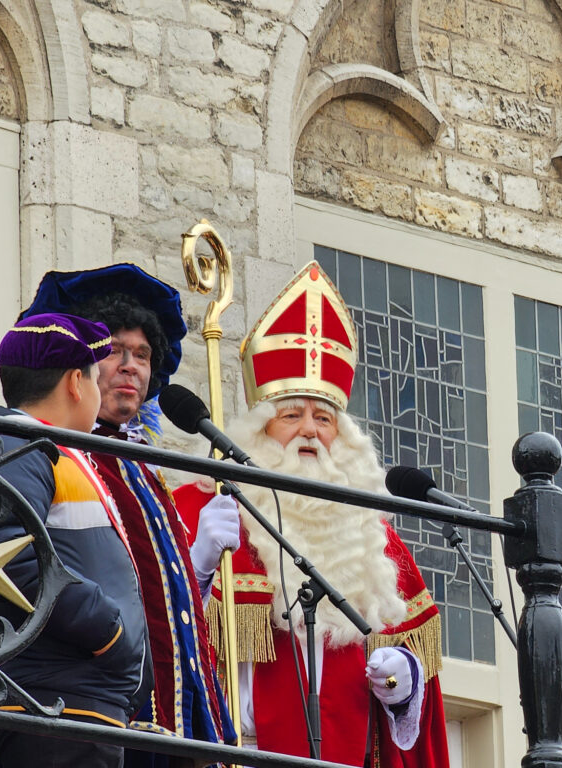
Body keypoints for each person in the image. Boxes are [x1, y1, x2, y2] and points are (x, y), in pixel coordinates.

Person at [174, 262, 450, 767]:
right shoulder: (201, 507)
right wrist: (197, 570)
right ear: (259, 428)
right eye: (291, 414)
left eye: (323, 418)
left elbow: (420, 717)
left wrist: (404, 689)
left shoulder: (376, 541)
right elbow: (154, 640)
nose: (309, 431)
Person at [19, 265, 237, 766]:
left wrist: (197, 567)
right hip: (99, 711)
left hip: (176, 719)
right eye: (115, 350)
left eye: (142, 355)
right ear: (79, 368)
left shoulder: (145, 471)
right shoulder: (58, 454)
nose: (131, 366)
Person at [0, 313, 151, 767]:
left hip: (75, 706)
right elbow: (3, 557)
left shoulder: (44, 450)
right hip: (55, 705)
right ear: (76, 382)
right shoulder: (20, 445)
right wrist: (110, 631)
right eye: (95, 376)